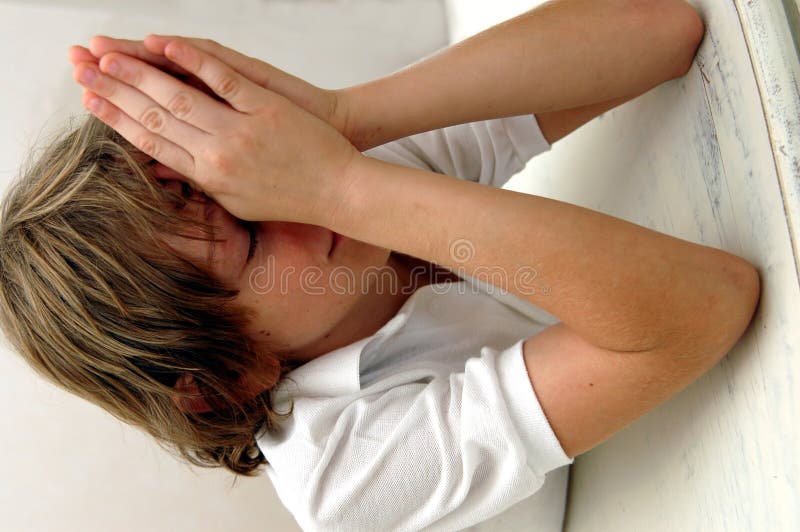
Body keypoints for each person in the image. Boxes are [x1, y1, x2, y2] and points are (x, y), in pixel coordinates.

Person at [0, 1, 760, 530]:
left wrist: (344, 120)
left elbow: (656, 28)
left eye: (244, 179)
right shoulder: (346, 477)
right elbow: (703, 306)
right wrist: (342, 186)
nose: (289, 199)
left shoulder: (334, 203)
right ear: (228, 378)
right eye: (253, 242)